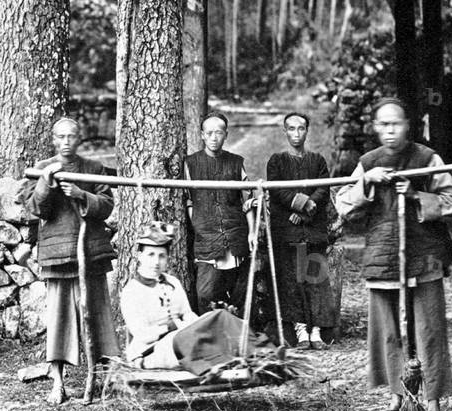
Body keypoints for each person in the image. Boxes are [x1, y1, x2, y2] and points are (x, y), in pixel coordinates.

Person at [335, 98, 452, 411]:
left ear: (408, 124)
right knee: (388, 334)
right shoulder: (368, 163)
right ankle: (397, 398)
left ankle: (432, 403)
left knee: (429, 332)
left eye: (397, 124)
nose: (390, 131)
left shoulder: (426, 159)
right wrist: (368, 183)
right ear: (375, 127)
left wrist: (417, 196)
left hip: (424, 257)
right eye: (383, 125)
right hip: (383, 257)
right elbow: (344, 206)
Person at [24, 116, 119, 404]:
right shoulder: (40, 169)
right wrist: (46, 184)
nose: (66, 142)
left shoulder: (93, 168)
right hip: (57, 255)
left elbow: (106, 206)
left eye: (71, 137)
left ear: (80, 139)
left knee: (98, 313)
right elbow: (35, 208)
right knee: (60, 318)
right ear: (53, 139)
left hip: (91, 253)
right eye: (60, 137)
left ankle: (104, 376)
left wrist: (82, 195)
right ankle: (58, 381)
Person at [120, 222, 268, 375]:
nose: (156, 262)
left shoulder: (172, 282)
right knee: (205, 333)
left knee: (220, 317)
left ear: (167, 258)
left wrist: (200, 324)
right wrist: (174, 327)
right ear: (140, 256)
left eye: (162, 256)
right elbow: (142, 334)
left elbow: (188, 314)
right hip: (151, 351)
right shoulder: (132, 291)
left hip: (180, 338)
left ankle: (259, 354)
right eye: (151, 255)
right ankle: (239, 358)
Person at [266, 112, 337, 349]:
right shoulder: (277, 161)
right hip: (288, 233)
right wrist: (299, 203)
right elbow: (277, 191)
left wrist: (305, 210)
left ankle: (316, 331)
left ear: (307, 131)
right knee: (292, 281)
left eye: (301, 129)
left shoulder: (318, 161)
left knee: (315, 278)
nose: (296, 133)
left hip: (313, 232)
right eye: (291, 129)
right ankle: (299, 330)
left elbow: (323, 190)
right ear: (284, 132)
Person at [184, 111, 257, 314]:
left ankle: (237, 337)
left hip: (235, 234)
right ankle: (211, 337)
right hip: (206, 238)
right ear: (202, 135)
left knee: (240, 295)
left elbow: (247, 199)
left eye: (219, 132)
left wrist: (251, 232)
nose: (214, 138)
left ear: (226, 134)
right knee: (205, 294)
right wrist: (198, 225)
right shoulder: (190, 163)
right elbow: (189, 199)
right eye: (209, 133)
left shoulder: (235, 162)